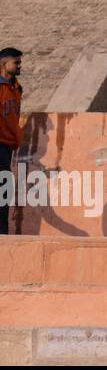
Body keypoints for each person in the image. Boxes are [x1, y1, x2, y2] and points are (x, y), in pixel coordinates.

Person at [0, 48, 23, 234]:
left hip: (7, 146)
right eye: (16, 62)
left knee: (3, 193)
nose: (19, 65)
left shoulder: (17, 88)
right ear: (3, 64)